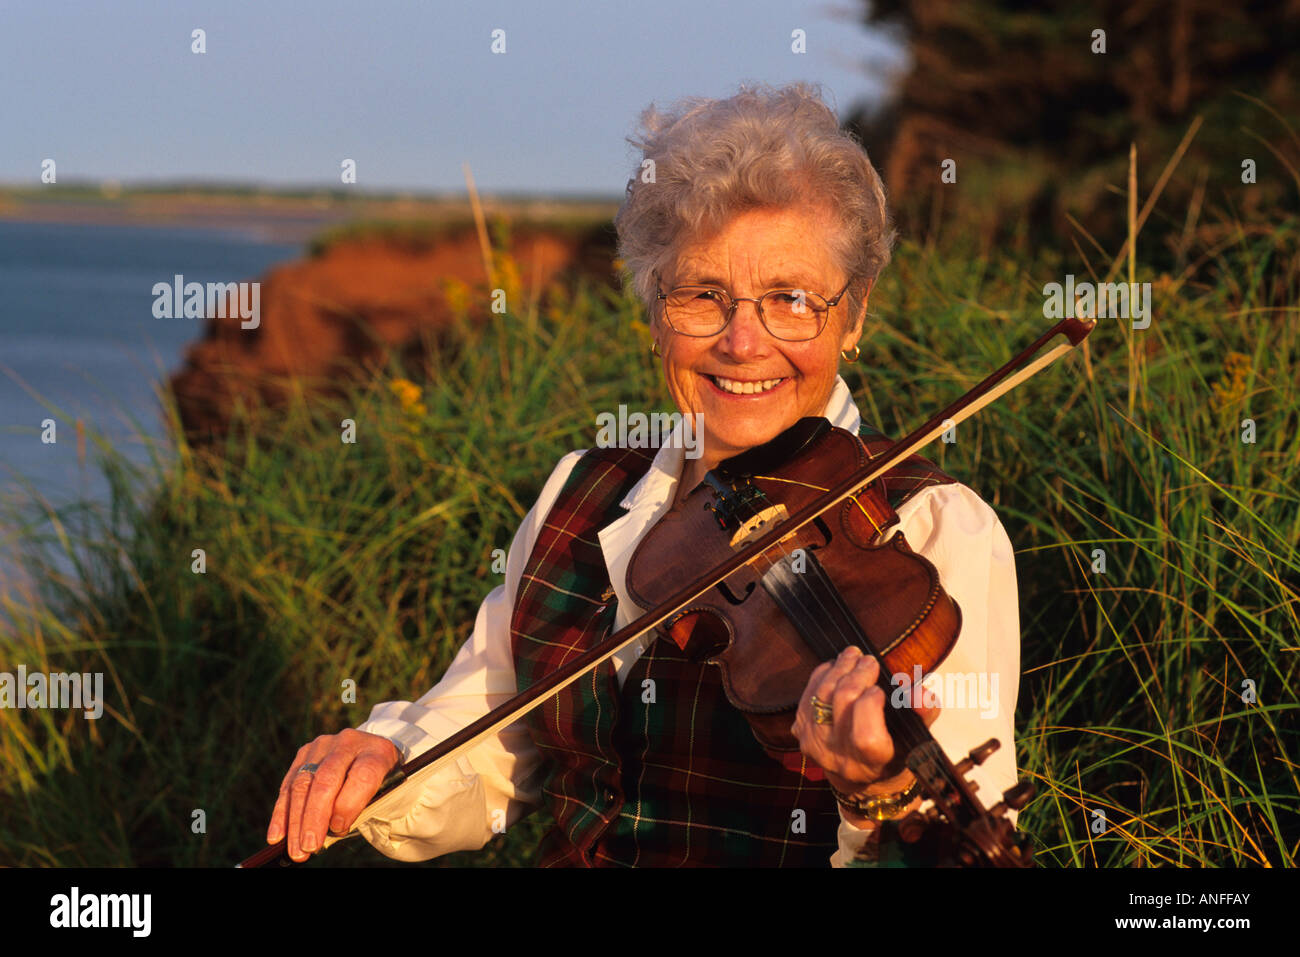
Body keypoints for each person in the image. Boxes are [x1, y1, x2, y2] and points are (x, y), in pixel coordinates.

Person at [263, 82, 1022, 867]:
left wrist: (880, 788)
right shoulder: (581, 494)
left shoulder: (931, 530)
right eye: (703, 295)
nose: (743, 342)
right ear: (654, 307)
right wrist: (384, 758)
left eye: (790, 300)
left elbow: (950, 840)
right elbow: (484, 744)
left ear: (854, 312)